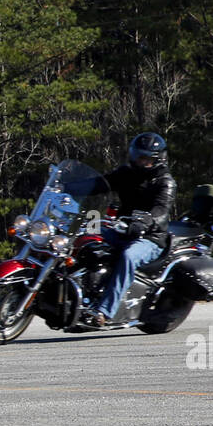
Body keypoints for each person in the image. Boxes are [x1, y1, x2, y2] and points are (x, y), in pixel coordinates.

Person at [85, 132, 177, 327]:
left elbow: (161, 210)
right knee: (87, 235)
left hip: (151, 238)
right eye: (137, 156)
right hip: (123, 230)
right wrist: (69, 186)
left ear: (158, 159)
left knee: (128, 256)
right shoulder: (126, 174)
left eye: (145, 158)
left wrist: (147, 220)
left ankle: (104, 311)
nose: (140, 161)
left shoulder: (165, 182)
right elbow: (101, 183)